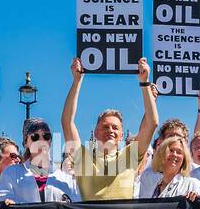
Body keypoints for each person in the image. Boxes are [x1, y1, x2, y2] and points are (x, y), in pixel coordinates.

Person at [60, 57, 158, 201]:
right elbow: (67, 122)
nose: (110, 130)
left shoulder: (130, 157)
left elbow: (152, 123)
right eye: (105, 126)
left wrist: (144, 82)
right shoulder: (84, 160)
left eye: (115, 127)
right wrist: (77, 81)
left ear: (121, 135)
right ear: (95, 132)